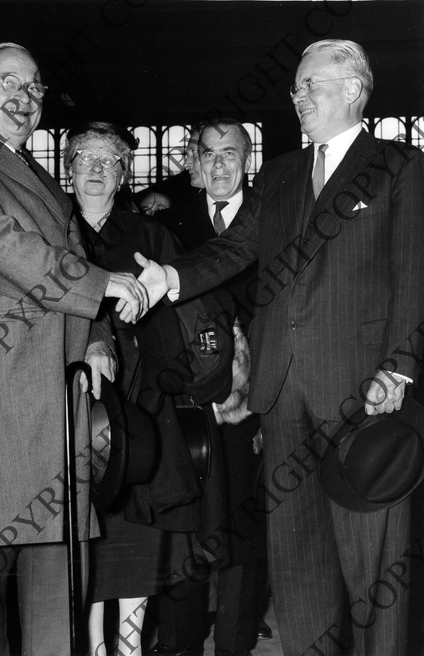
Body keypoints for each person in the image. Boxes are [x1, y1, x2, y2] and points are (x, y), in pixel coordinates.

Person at [138, 39, 424, 656]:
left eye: (311, 86)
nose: (297, 96)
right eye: (296, 88)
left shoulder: (400, 166)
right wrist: (170, 279)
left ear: (353, 90)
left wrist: (401, 369)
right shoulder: (279, 174)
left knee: (373, 567)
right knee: (298, 560)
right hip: (281, 392)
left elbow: (418, 274)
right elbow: (231, 252)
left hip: (364, 393)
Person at [0, 43, 149, 656]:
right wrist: (103, 288)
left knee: (58, 597)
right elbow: (5, 249)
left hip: (58, 402)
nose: (23, 98)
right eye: (8, 84)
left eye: (35, 88)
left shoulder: (48, 183)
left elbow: (75, 261)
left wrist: (99, 339)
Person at [64, 120, 221, 656]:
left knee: (137, 528)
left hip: (143, 400)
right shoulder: (51, 229)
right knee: (82, 527)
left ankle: (128, 647)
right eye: (85, 158)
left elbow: (186, 304)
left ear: (124, 172)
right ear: (69, 167)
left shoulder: (149, 234)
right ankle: (91, 647)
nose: (96, 170)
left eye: (110, 161)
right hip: (75, 401)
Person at [149, 120, 267, 656]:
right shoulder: (170, 222)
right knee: (188, 522)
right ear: (197, 160)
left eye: (231, 154)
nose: (220, 165)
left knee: (244, 521)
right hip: (190, 397)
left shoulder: (270, 214)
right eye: (210, 154)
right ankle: (181, 644)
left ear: (249, 158)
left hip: (252, 395)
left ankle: (237, 643)